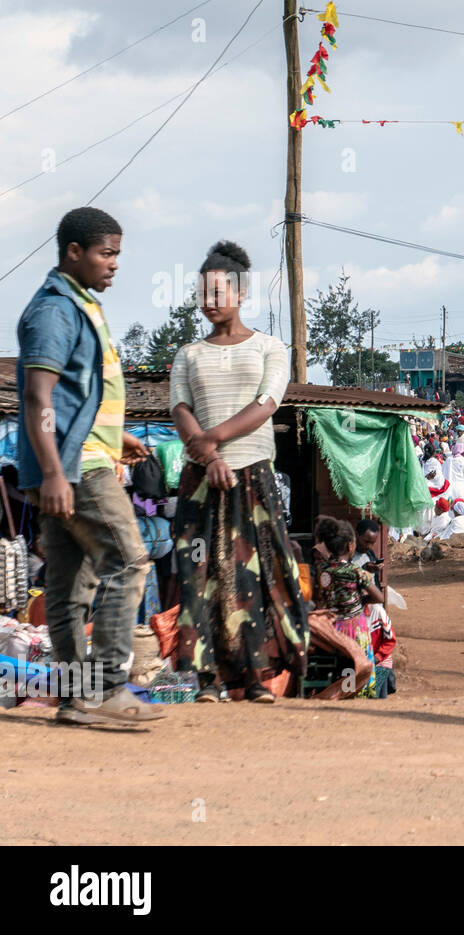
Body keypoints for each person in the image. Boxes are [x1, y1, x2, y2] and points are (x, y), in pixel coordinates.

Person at [16, 207, 162, 724]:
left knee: (69, 587)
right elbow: (38, 397)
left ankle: (78, 699)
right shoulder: (55, 310)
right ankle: (105, 688)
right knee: (129, 561)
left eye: (117, 253)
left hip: (84, 456)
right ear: (73, 253)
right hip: (79, 470)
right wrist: (55, 472)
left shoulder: (81, 305)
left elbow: (76, 397)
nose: (115, 263)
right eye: (106, 253)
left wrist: (111, 432)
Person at [169, 240, 308, 704]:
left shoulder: (270, 348)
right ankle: (206, 681)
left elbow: (266, 405)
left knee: (258, 576)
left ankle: (256, 677)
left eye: (218, 291)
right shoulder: (187, 355)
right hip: (201, 481)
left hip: (253, 476)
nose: (209, 301)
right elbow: (181, 411)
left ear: (240, 292)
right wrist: (209, 458)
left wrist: (213, 442)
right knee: (199, 575)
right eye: (202, 292)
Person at [315, 518, 384, 698]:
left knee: (342, 665)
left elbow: (320, 598)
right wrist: (361, 600)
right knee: (356, 664)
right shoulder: (355, 572)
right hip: (354, 627)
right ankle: (353, 693)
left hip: (330, 627)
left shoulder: (322, 569)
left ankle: (337, 692)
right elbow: (379, 597)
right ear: (350, 545)